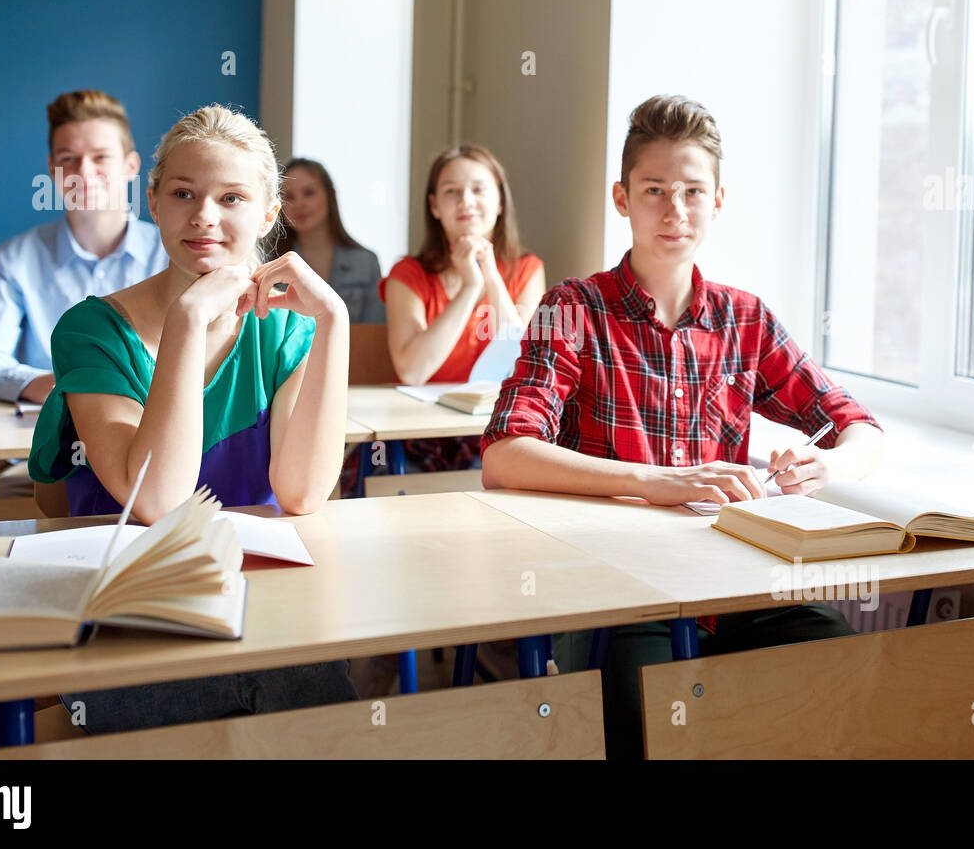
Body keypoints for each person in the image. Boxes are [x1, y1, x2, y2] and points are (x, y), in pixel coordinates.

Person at [480, 94, 885, 759]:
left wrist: (829, 465)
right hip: (616, 592)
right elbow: (506, 455)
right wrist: (659, 482)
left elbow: (860, 428)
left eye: (693, 192)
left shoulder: (745, 319)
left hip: (735, 583)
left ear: (718, 200)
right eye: (655, 190)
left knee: (843, 671)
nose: (675, 211)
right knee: (656, 720)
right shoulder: (572, 308)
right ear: (622, 197)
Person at [27, 104, 355, 733]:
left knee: (298, 684)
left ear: (268, 214)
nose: (204, 216)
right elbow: (156, 498)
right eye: (183, 193)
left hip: (258, 603)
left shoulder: (289, 331)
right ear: (153, 201)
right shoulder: (92, 330)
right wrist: (186, 320)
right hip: (128, 611)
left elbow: (303, 492)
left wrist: (332, 322)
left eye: (232, 197)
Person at [0, 90, 168, 406]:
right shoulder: (15, 260)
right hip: (48, 437)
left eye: (101, 157)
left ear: (131, 165)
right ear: (52, 168)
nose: (83, 172)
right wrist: (45, 384)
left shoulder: (169, 255)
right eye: (68, 159)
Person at [373, 143, 545, 475]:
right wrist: (470, 288)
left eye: (479, 190)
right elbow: (413, 371)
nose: (466, 201)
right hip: (418, 433)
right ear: (435, 206)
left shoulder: (527, 268)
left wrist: (490, 276)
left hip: (494, 426)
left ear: (499, 202)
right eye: (452, 191)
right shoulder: (407, 273)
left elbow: (520, 359)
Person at [267, 158, 385, 323]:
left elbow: (374, 333)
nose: (299, 203)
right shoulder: (268, 264)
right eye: (289, 197)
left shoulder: (366, 263)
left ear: (330, 195)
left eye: (309, 193)